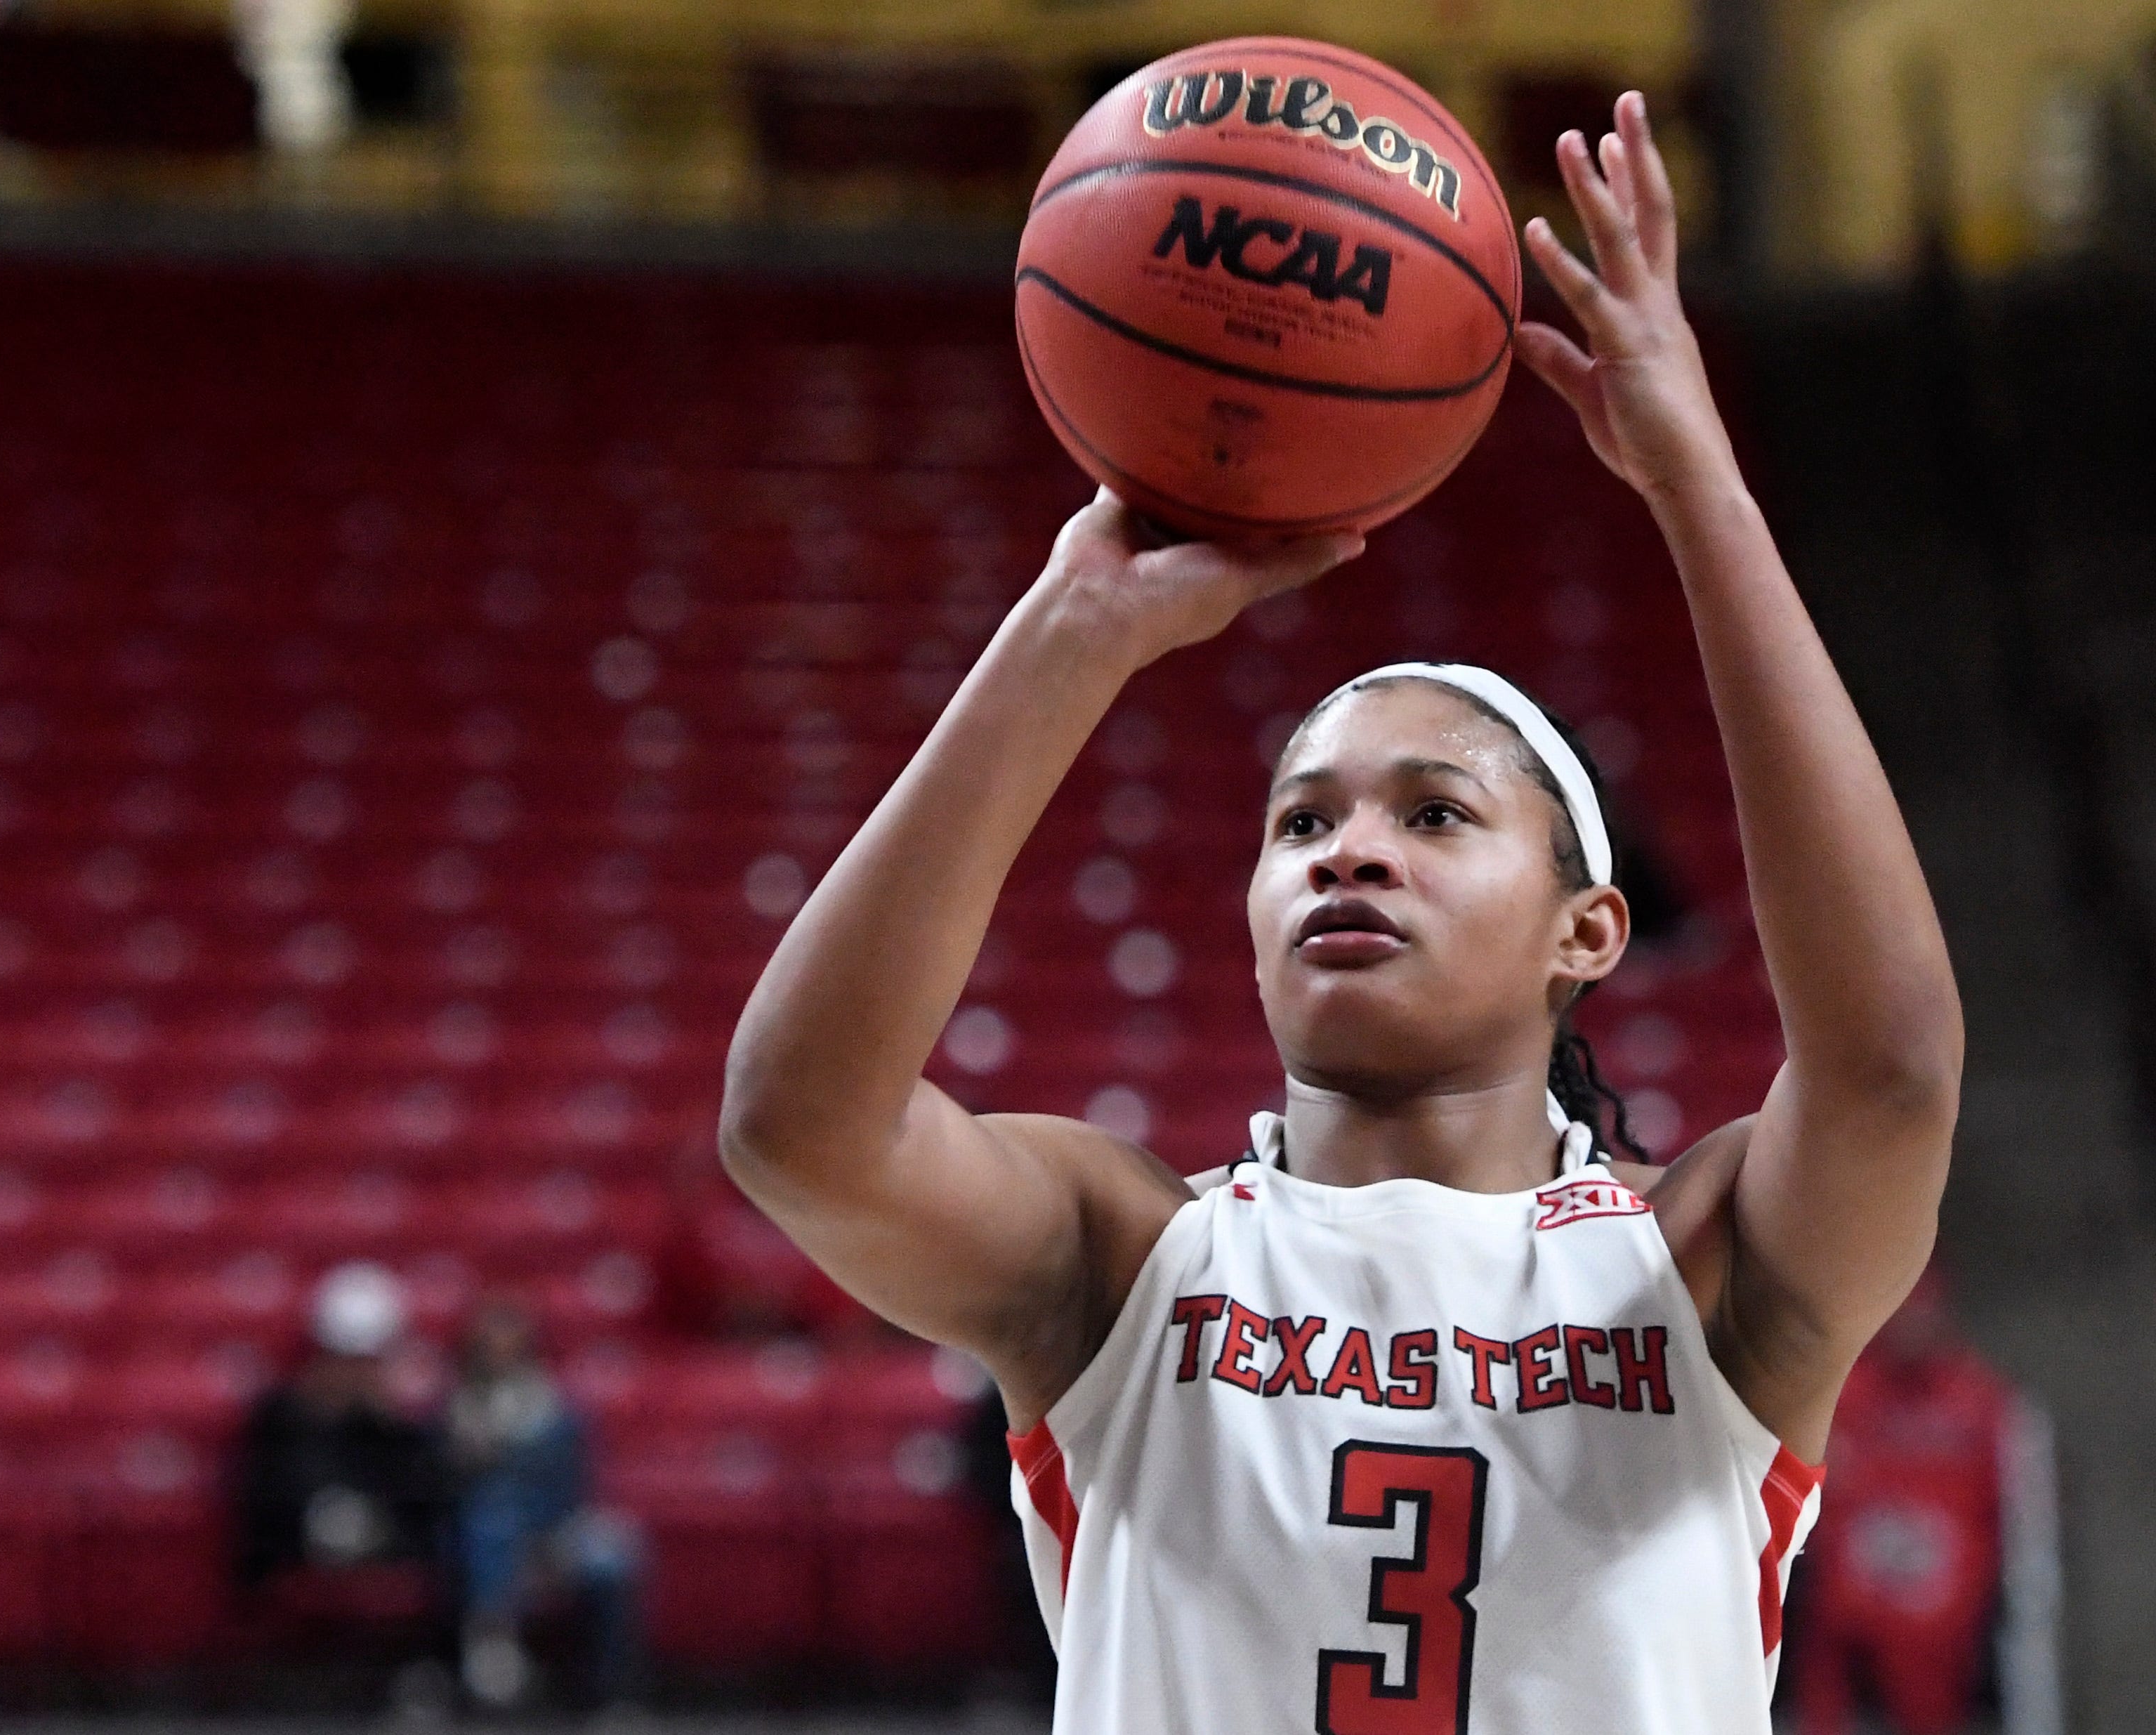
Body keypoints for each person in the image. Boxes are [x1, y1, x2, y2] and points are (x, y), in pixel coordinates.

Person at [720, 92, 1961, 1735]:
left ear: (1583, 931)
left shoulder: (1697, 1264)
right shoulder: (1127, 1258)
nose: (1347, 850)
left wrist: (1698, 491)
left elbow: (1885, 1069)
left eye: (1433, 812)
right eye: (1301, 818)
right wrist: (1071, 629)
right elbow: (798, 1124)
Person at [1794, 1266, 2027, 1735]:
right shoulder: (1846, 1392)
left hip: (1940, 1585)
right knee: (1824, 1637)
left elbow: (2005, 1507)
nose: (1912, 1324)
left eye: (1923, 1310)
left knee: (1929, 1646)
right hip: (1852, 1576)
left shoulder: (1980, 1400)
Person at [445, 1295, 643, 1713]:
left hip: (554, 1532)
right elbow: (438, 1492)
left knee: (614, 1556)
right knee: (493, 1517)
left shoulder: (556, 1409)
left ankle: (607, 1693)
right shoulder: (454, 1409)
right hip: (477, 1540)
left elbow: (573, 1488)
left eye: (511, 1347)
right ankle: (491, 1645)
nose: (500, 1357)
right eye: (490, 1348)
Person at [235, 1260, 451, 1595]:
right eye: (345, 1360)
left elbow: (425, 1500)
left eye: (367, 1361)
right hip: (298, 1566)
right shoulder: (283, 1415)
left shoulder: (400, 1425)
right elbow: (267, 1510)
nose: (355, 1373)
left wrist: (393, 1425)